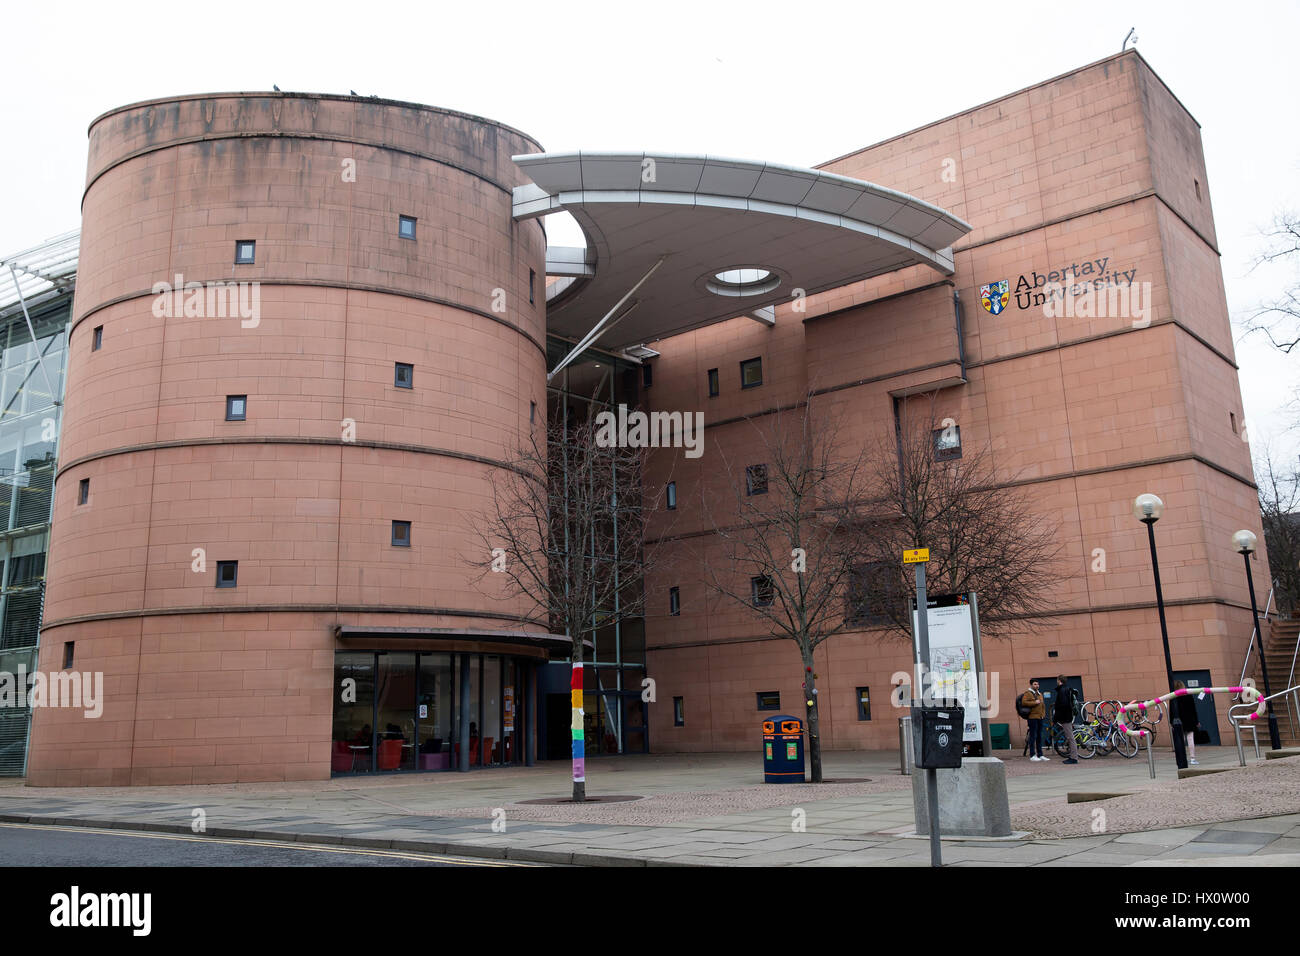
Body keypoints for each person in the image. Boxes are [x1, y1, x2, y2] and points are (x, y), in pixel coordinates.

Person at [1173, 680, 1201, 765]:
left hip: (1178, 720)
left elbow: (1172, 711)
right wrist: (1196, 721)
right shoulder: (1189, 696)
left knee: (1180, 740)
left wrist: (1171, 721)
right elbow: (1193, 710)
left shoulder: (1173, 697)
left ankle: (1181, 758)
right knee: (1190, 739)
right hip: (1189, 720)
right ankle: (1192, 758)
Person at [1052, 675, 1079, 764]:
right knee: (1070, 737)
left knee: (1070, 737)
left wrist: (1056, 717)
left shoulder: (1062, 690)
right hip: (1067, 716)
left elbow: (1062, 705)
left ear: (1059, 680)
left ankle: (1074, 758)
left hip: (1065, 717)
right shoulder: (1066, 689)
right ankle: (1073, 757)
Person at [1020, 680, 1046, 760]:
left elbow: (1042, 705)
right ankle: (1032, 755)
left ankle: (1040, 754)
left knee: (1039, 736)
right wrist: (1035, 702)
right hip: (1032, 718)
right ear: (1031, 685)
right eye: (1035, 684)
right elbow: (1023, 703)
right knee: (1033, 736)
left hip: (1040, 717)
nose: (1037, 685)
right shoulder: (1027, 693)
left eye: (1038, 684)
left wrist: (1043, 714)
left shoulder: (1039, 693)